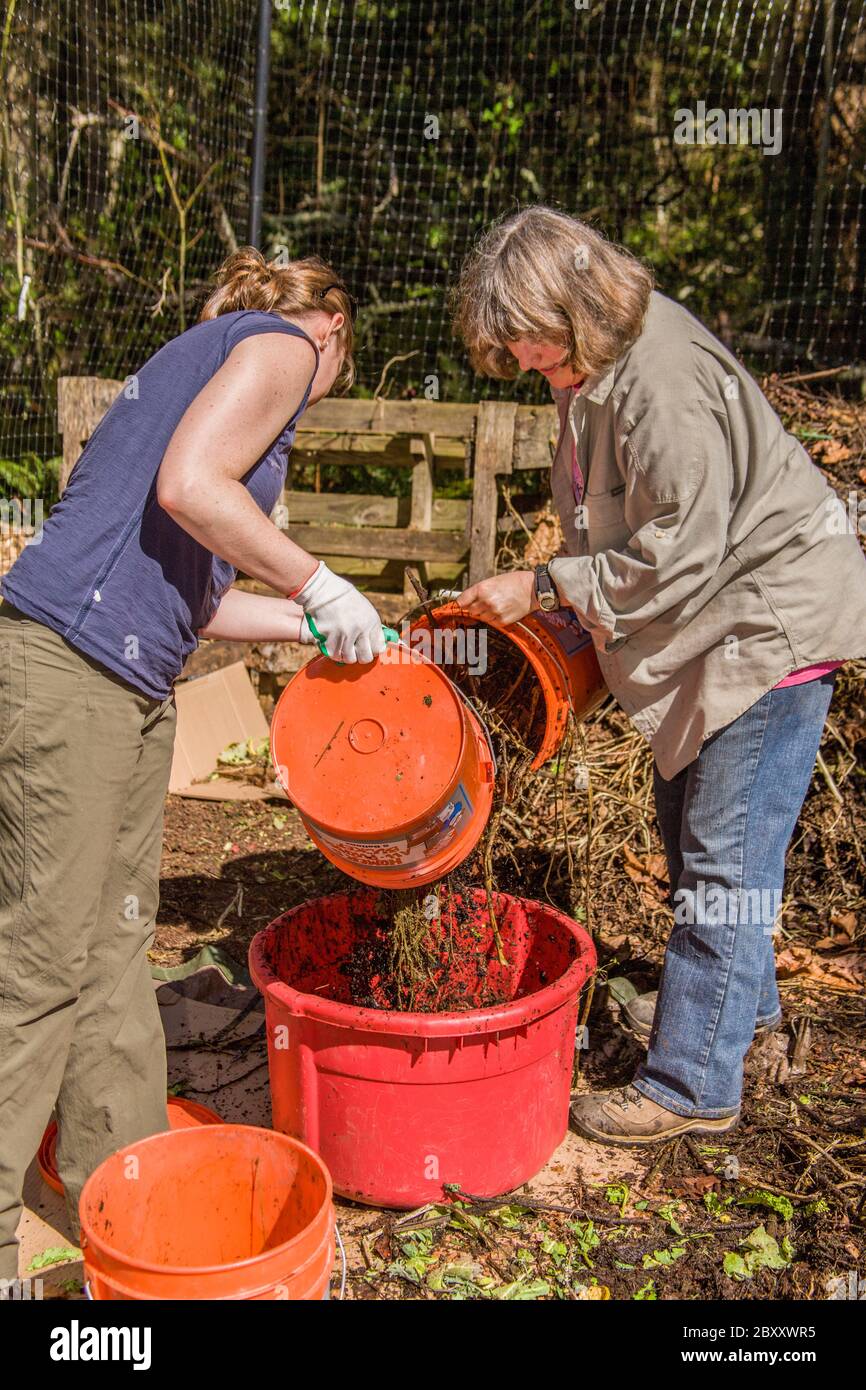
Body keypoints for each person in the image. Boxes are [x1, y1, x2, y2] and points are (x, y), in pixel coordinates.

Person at [0, 248, 384, 1279]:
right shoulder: (279, 349)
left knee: (111, 945)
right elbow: (188, 486)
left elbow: (201, 596)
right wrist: (319, 576)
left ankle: (118, 1190)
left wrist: (315, 620)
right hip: (66, 670)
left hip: (128, 678)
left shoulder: (216, 375)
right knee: (39, 961)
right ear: (333, 326)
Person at [452, 205, 866, 1146]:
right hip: (707, 627)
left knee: (723, 865)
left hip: (765, 626)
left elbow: (685, 545)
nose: (520, 359)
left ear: (571, 306)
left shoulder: (660, 377)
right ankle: (737, 1021)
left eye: (526, 338)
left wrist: (549, 583)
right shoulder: (589, 367)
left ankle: (691, 1086)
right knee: (694, 845)